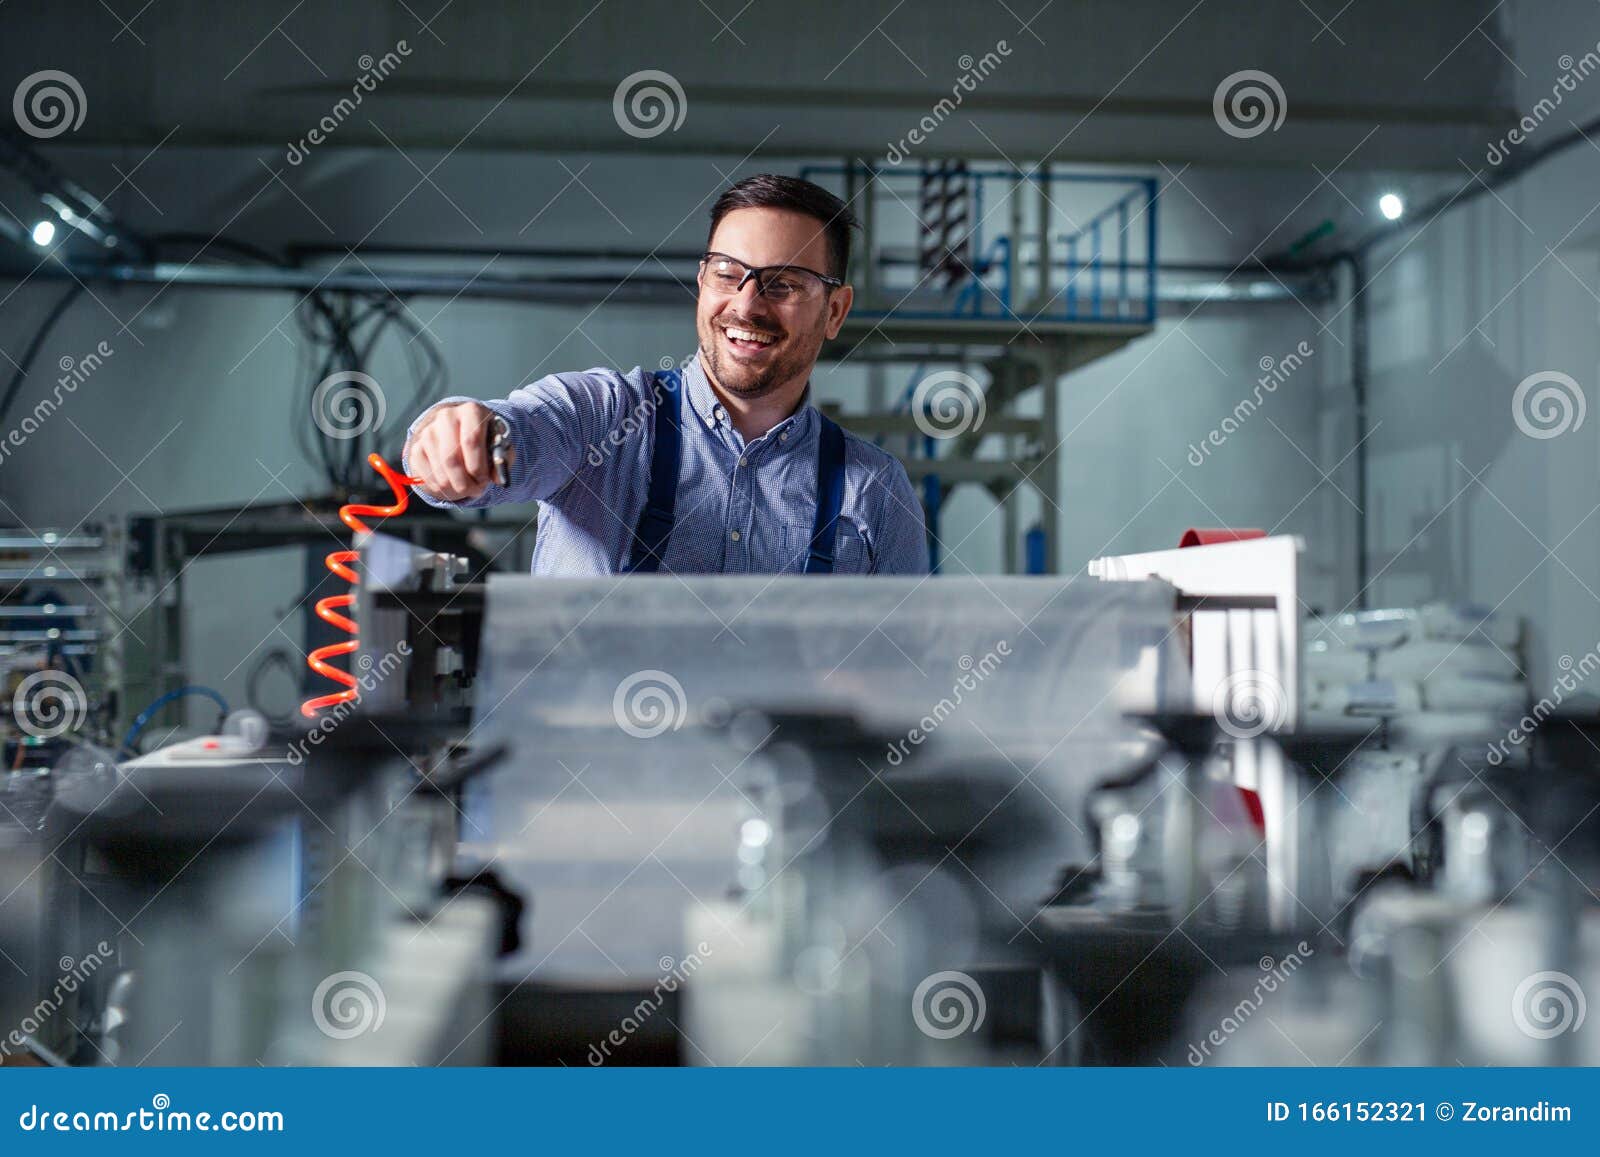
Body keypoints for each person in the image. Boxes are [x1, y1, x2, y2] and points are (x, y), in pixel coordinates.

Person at [402, 173, 928, 576]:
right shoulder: (602, 417)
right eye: (727, 274)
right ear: (702, 282)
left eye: (784, 284)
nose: (747, 306)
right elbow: (521, 430)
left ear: (835, 311)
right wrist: (455, 435)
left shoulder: (875, 492)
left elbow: (912, 668)